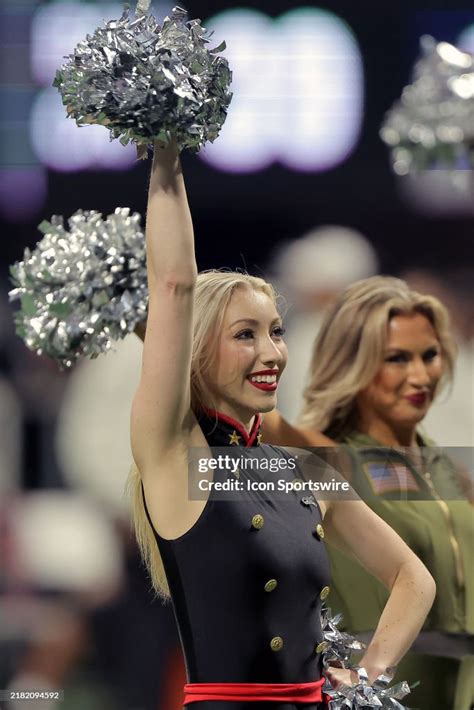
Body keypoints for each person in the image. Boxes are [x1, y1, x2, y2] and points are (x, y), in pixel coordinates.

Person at [128, 142, 436, 710]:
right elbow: (173, 284)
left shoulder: (304, 472)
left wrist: (367, 679)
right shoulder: (176, 454)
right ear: (195, 353)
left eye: (276, 332)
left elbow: (414, 579)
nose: (271, 352)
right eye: (245, 334)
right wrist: (166, 154)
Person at [262, 276, 474, 710]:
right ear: (354, 365)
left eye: (429, 355)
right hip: (374, 693)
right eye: (396, 358)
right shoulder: (324, 456)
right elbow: (226, 397)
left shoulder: (446, 467)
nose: (419, 375)